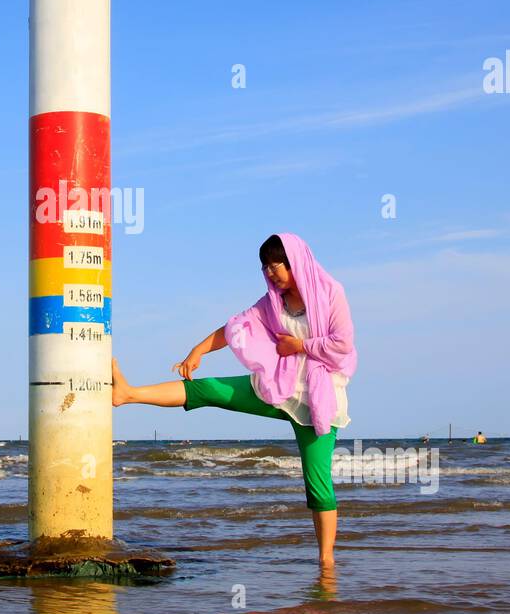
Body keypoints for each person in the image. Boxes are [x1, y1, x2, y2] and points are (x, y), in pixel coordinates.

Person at [111, 232, 356, 569]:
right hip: (276, 386)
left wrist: (298, 346)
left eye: (276, 265)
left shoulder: (330, 293)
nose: (271, 273)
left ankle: (326, 562)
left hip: (318, 398)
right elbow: (233, 328)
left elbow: (342, 345)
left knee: (317, 483)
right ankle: (128, 394)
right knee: (208, 390)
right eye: (265, 267)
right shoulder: (272, 302)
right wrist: (197, 351)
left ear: (295, 262)